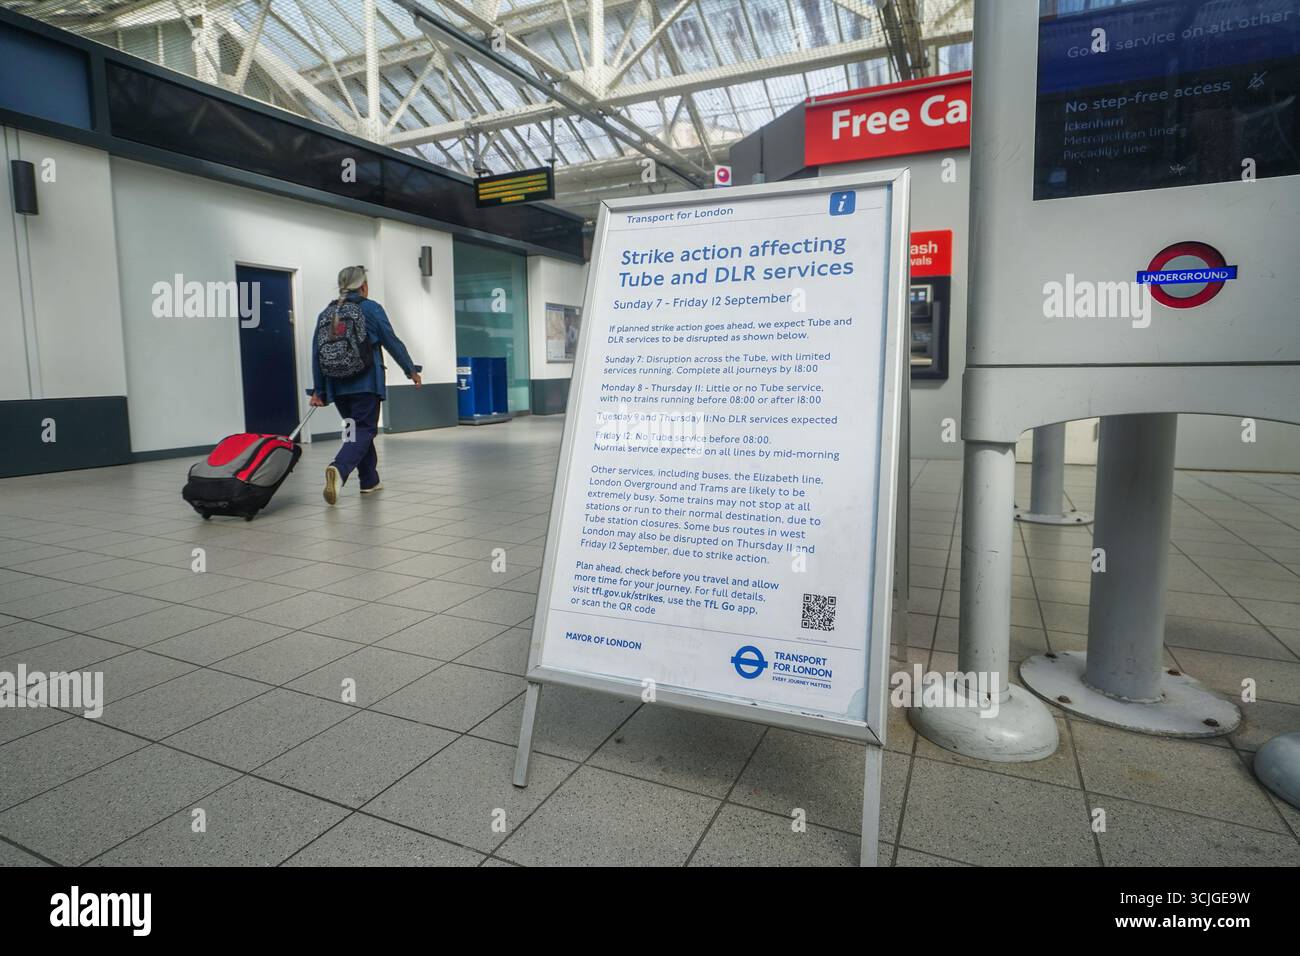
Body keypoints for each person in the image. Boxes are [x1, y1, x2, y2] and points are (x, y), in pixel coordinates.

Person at [310, 265, 421, 505]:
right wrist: (410, 369)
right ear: (363, 286)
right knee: (365, 429)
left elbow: (316, 353)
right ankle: (338, 468)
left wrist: (319, 390)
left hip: (337, 387)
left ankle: (369, 480)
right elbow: (391, 341)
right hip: (365, 384)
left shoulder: (326, 313)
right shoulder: (370, 309)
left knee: (354, 430)